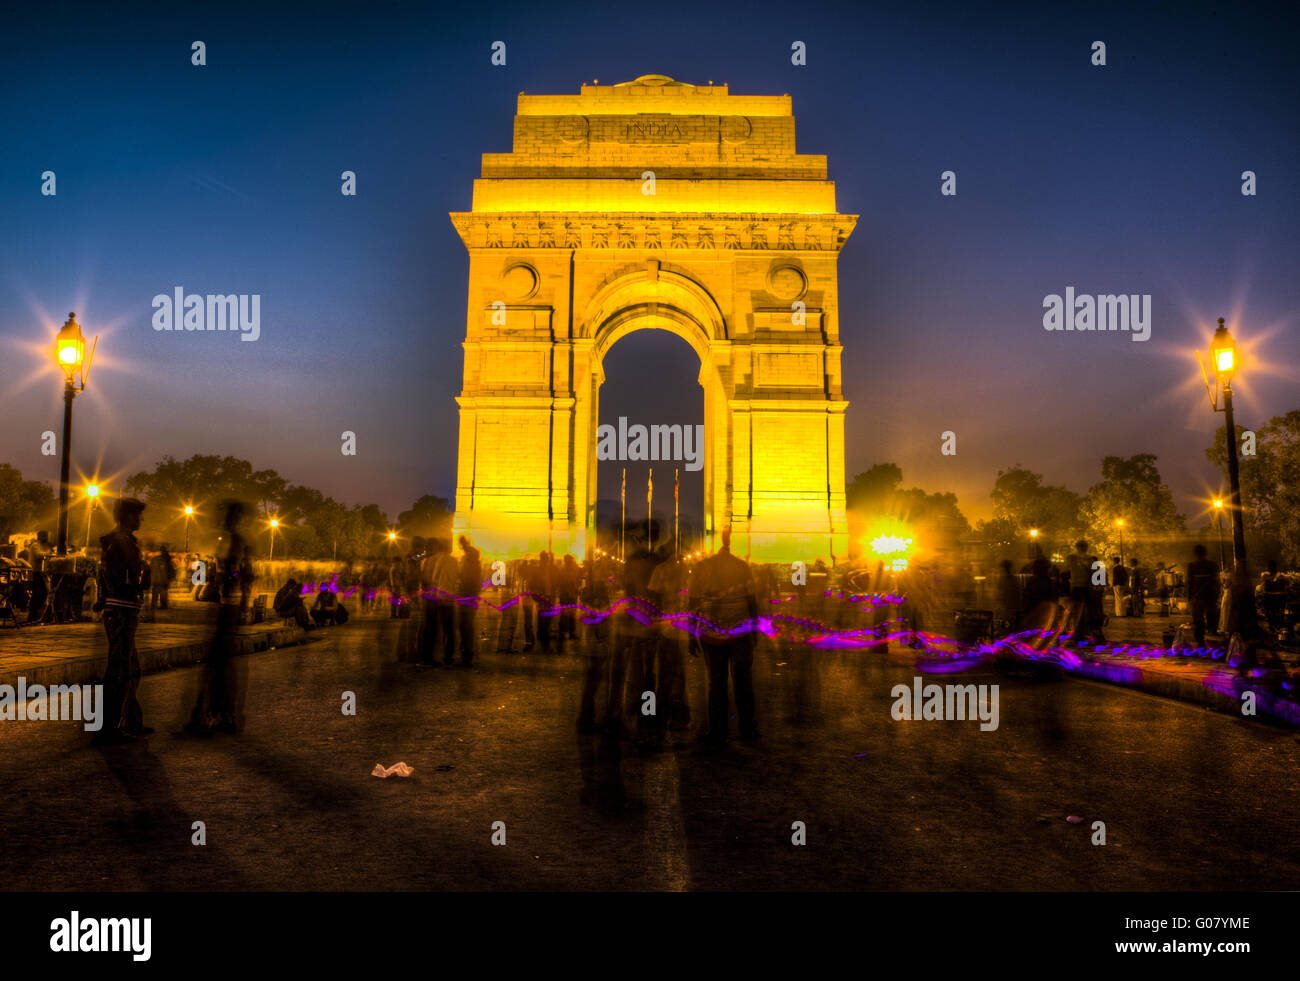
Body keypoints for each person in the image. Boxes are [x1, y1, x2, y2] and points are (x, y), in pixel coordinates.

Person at [689, 527, 759, 746]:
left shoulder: (702, 566)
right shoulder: (742, 566)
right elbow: (752, 600)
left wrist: (692, 633)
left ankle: (718, 732)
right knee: (743, 680)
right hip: (740, 631)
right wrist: (754, 630)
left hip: (712, 632)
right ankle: (747, 728)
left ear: (720, 540)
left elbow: (692, 602)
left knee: (716, 683)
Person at [187, 502, 248, 734]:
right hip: (227, 607)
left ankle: (214, 714)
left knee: (219, 665)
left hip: (228, 608)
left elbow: (235, 575)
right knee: (220, 665)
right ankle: (218, 714)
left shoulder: (235, 543)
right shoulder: (232, 541)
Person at [94, 498, 151, 745]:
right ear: (127, 516)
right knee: (120, 670)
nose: (140, 520)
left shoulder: (119, 542)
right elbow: (123, 577)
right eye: (137, 515)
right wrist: (138, 581)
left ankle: (130, 719)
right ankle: (109, 726)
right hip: (122, 610)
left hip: (120, 608)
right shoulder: (121, 543)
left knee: (130, 667)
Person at [432, 539, 460, 666]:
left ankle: (439, 653)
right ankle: (449, 655)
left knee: (441, 627)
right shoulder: (454, 561)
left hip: (441, 596)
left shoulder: (440, 560)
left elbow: (434, 578)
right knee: (450, 628)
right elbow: (458, 578)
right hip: (451, 597)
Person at [1186, 544, 1220, 646]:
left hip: (1198, 597)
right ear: (1205, 553)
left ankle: (1201, 641)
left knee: (1198, 621)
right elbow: (1216, 581)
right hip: (1209, 597)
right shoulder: (1212, 565)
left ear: (1195, 554)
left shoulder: (1192, 566)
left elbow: (1189, 583)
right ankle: (1212, 639)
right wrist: (1217, 594)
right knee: (1211, 619)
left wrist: (1190, 597)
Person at [456, 535, 482, 666]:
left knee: (465, 625)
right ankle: (467, 651)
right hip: (469, 595)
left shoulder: (468, 560)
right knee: (466, 625)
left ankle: (467, 652)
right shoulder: (473, 562)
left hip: (467, 595)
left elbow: (467, 580)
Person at [1261, 560, 1287, 633]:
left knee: (1277, 613)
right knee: (1270, 613)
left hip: (1277, 597)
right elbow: (1265, 577)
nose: (1269, 568)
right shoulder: (1266, 575)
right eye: (1269, 567)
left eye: (1271, 567)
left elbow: (1282, 586)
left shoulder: (1279, 576)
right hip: (1271, 597)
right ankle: (1273, 628)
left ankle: (1277, 628)